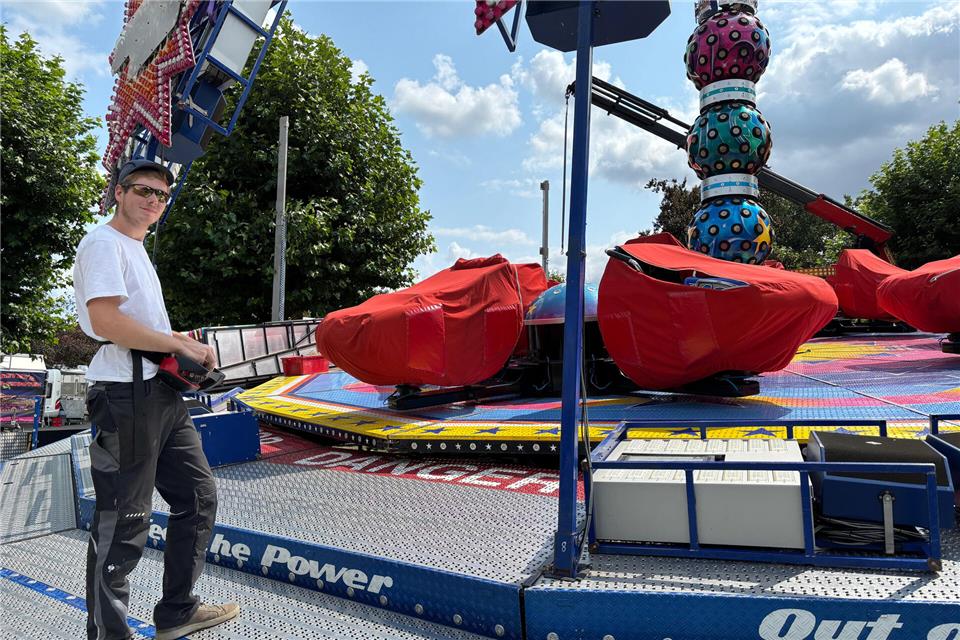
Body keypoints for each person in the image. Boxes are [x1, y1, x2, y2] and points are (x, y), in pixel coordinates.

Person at [74, 159, 239, 640]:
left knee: (198, 496)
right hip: (125, 395)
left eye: (162, 195)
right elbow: (104, 322)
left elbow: (140, 325)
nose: (153, 201)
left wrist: (181, 343)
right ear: (119, 193)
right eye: (143, 190)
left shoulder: (135, 249)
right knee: (123, 520)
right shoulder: (104, 243)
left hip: (159, 393)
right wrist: (176, 345)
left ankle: (178, 612)